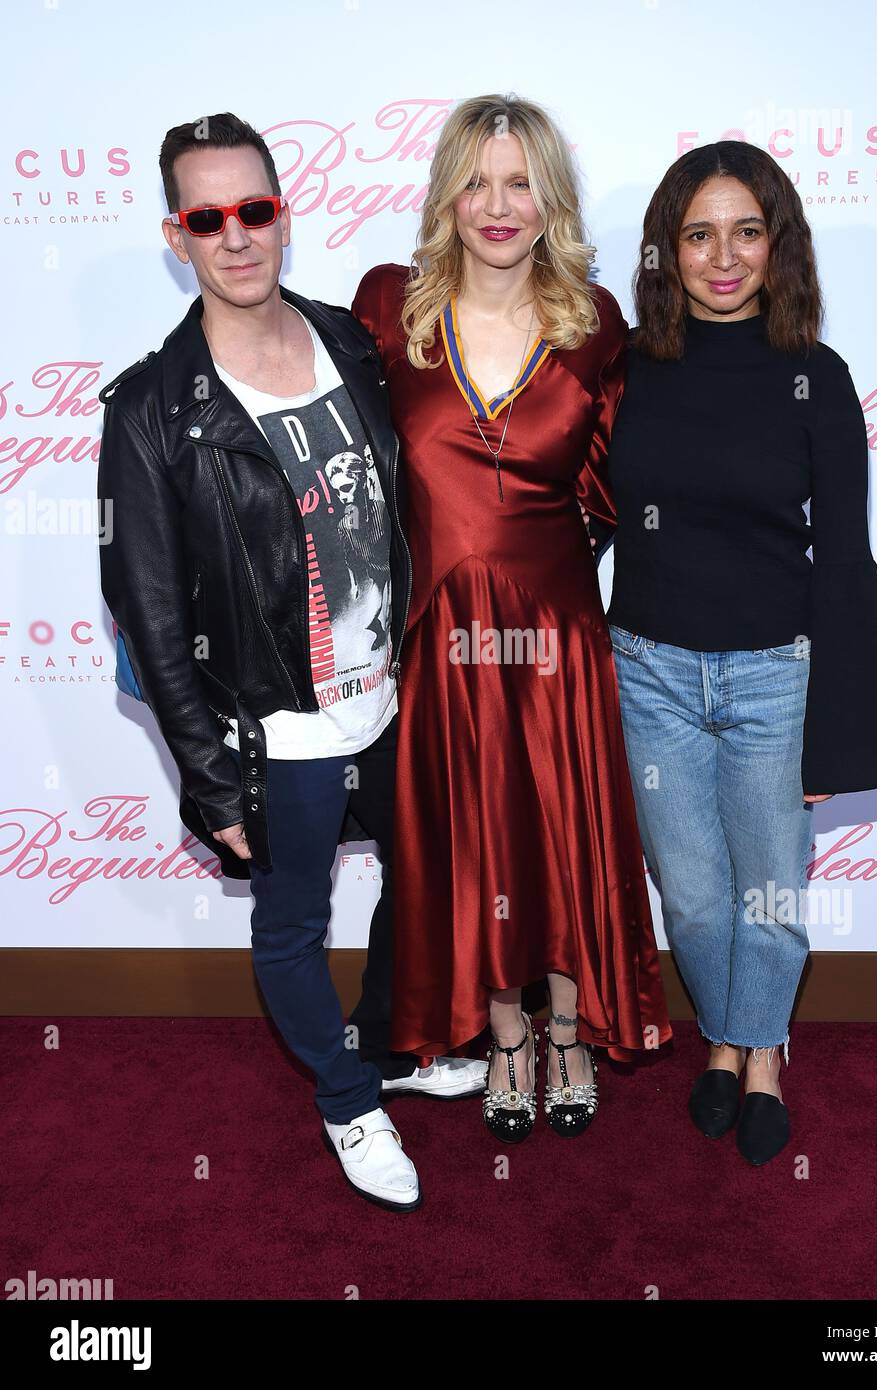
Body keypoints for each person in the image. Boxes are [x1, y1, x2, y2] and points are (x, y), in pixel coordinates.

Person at [97, 111, 485, 1213]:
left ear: (282, 213)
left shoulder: (347, 341)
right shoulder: (152, 408)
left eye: (253, 210)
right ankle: (347, 1096)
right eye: (207, 217)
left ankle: (386, 1043)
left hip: (393, 695)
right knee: (291, 921)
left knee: (422, 880)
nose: (236, 236)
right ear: (177, 235)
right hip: (278, 725)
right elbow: (149, 611)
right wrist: (206, 772)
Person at [352, 94, 672, 1144]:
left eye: (521, 182)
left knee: (564, 830)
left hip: (556, 639)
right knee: (474, 839)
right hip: (438, 642)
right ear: (448, 189)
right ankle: (501, 1035)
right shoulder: (387, 305)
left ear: (550, 199)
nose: (498, 205)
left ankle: (568, 1031)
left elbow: (623, 484)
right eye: (478, 180)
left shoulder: (592, 320)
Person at [604, 140, 877, 1166]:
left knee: (767, 890)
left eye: (745, 231)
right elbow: (575, 517)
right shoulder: (625, 370)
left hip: (776, 674)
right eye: (697, 235)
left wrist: (842, 737)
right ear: (665, 250)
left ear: (777, 245)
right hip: (645, 669)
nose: (721, 257)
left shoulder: (816, 380)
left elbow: (844, 558)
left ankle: (754, 1053)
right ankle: (725, 1041)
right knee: (689, 894)